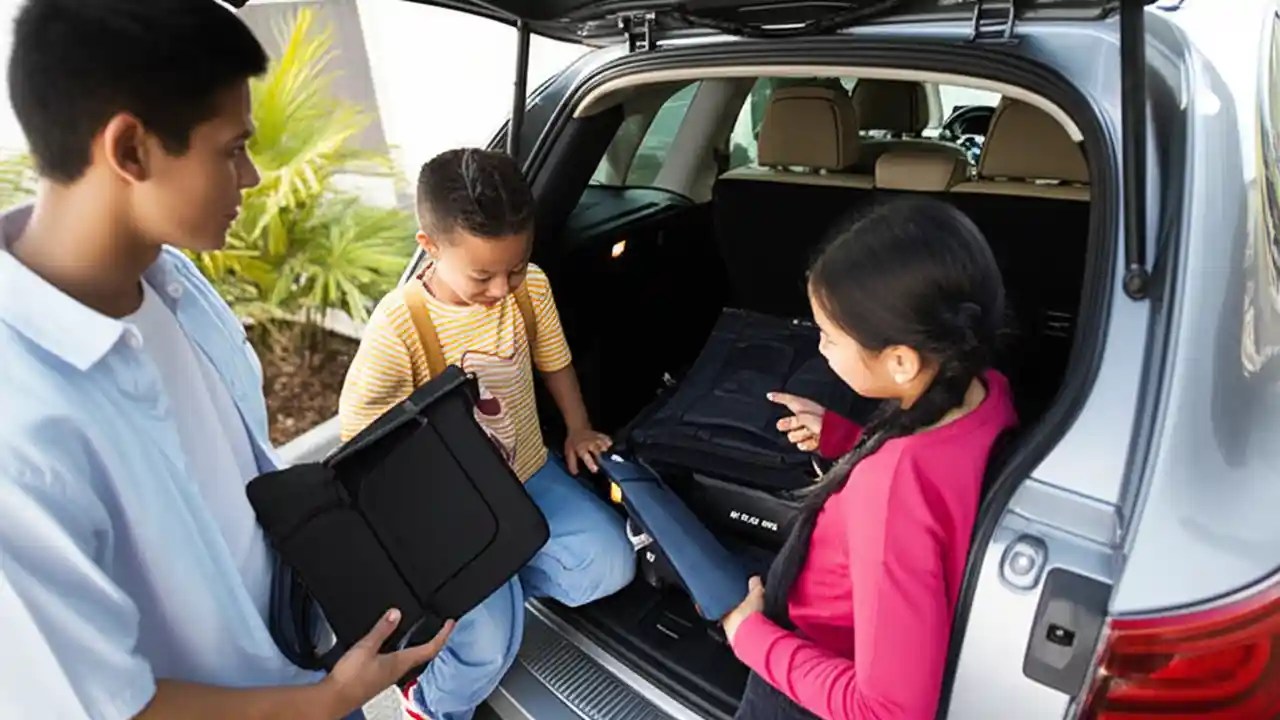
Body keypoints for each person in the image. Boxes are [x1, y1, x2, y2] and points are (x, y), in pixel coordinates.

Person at [0, 1, 452, 718]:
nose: (252, 176)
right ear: (131, 150)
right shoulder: (20, 436)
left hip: (308, 658)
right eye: (232, 148)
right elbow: (110, 709)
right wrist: (327, 702)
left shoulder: (172, 279)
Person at [338, 148, 636, 720]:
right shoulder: (400, 325)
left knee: (611, 564)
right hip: (453, 511)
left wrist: (577, 428)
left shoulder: (532, 288)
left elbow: (554, 361)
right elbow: (360, 437)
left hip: (527, 472)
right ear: (430, 247)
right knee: (486, 648)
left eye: (515, 267)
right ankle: (430, 700)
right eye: (482, 275)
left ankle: (503, 585)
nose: (502, 288)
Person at [720, 198, 1019, 720]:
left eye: (829, 337)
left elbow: (889, 710)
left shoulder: (891, 487)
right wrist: (848, 439)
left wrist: (751, 637)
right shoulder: (985, 391)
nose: (820, 349)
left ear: (901, 361)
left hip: (815, 668)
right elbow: (936, 488)